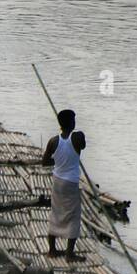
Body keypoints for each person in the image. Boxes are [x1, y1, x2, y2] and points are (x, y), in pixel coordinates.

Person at [42, 108, 86, 262]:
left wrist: (59, 161)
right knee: (73, 215)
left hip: (58, 181)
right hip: (71, 182)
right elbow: (83, 145)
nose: (75, 122)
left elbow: (45, 162)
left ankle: (52, 250)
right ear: (70, 122)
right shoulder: (78, 137)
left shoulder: (53, 141)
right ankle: (69, 254)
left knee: (56, 212)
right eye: (73, 120)